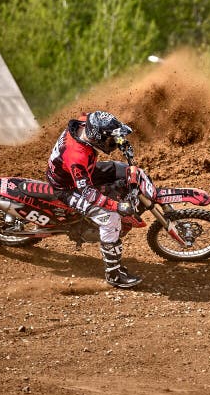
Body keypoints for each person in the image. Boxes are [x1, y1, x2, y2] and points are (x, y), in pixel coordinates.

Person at [46, 111, 142, 288]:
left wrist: (122, 142)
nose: (111, 144)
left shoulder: (86, 123)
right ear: (97, 138)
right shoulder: (77, 156)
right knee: (111, 219)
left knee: (122, 169)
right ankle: (113, 274)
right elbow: (89, 194)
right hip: (67, 188)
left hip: (83, 170)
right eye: (109, 141)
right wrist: (117, 206)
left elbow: (107, 128)